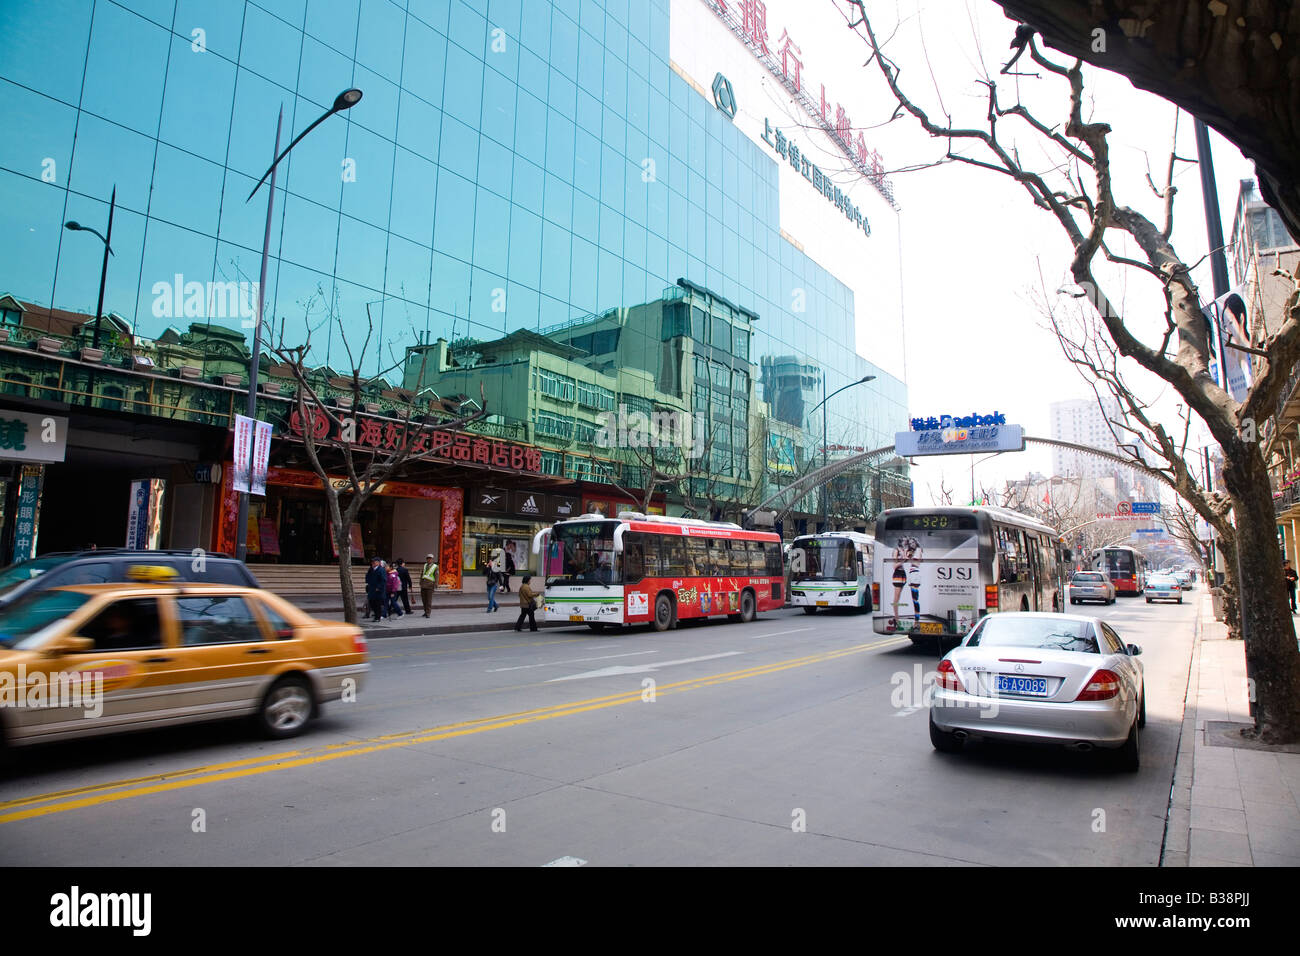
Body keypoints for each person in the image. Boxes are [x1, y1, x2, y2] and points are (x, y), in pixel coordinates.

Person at [365, 556, 387, 621]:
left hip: (378, 590)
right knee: (371, 602)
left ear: (378, 563)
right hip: (371, 589)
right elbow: (368, 577)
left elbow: (383, 580)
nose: (373, 563)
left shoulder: (381, 569)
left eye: (374, 562)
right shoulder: (371, 569)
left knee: (377, 604)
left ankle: (377, 617)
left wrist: (379, 587)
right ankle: (377, 615)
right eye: (372, 562)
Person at [420, 553, 438, 617]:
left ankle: (428, 613)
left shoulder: (435, 566)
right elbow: (422, 574)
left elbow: (436, 576)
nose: (429, 560)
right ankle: (425, 611)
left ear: (432, 559)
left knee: (429, 601)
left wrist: (436, 584)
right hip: (423, 585)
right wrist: (420, 582)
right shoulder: (425, 565)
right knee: (424, 600)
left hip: (430, 585)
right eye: (428, 558)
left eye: (430, 558)